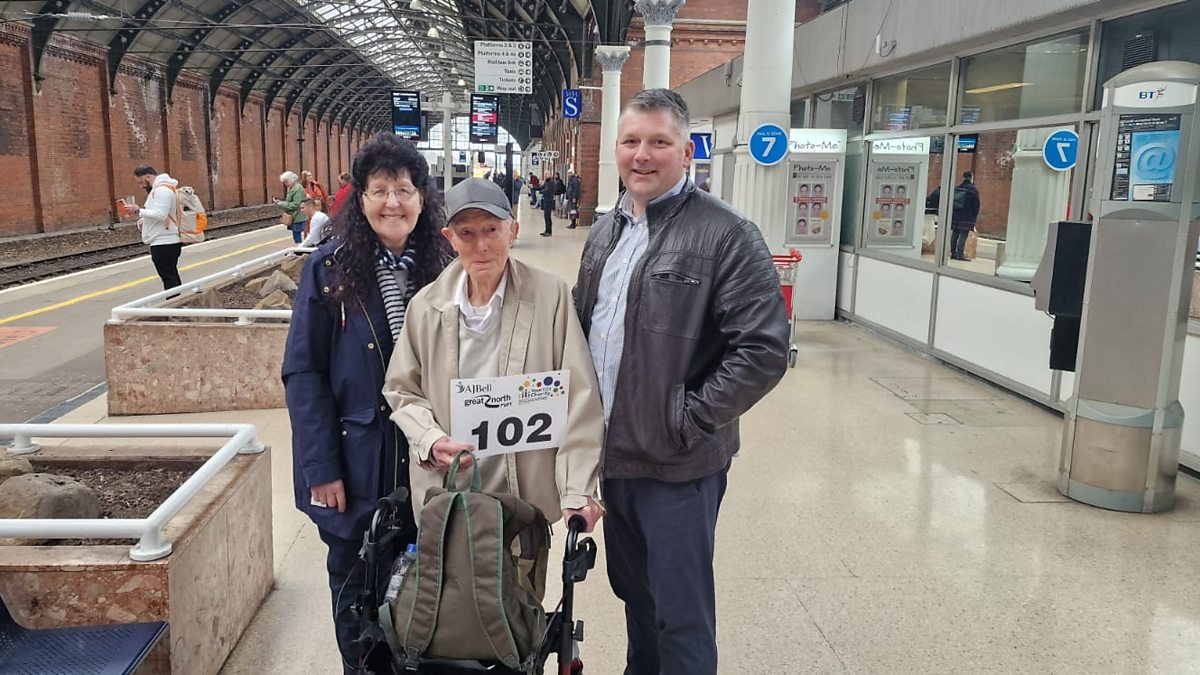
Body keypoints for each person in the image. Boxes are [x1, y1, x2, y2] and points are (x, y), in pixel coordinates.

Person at [573, 88, 789, 675]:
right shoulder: (606, 231)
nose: (642, 155)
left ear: (686, 150)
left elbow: (765, 350)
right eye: (631, 141)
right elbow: (582, 329)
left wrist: (685, 419)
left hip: (678, 466)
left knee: (682, 617)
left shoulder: (726, 235)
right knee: (637, 602)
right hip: (615, 458)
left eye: (658, 142)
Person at [383, 177, 605, 598]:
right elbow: (401, 390)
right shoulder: (426, 307)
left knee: (519, 607)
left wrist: (577, 488)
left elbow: (578, 395)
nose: (481, 245)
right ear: (450, 238)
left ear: (513, 230)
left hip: (524, 499)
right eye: (467, 233)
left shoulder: (550, 297)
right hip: (451, 494)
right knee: (452, 609)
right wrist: (431, 439)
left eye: (492, 230)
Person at [281, 133, 453, 674]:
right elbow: (303, 372)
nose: (392, 203)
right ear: (360, 199)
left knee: (427, 589)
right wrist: (321, 468)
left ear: (423, 198)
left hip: (430, 461)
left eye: (403, 189)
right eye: (378, 190)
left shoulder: (449, 269)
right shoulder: (328, 270)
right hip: (355, 465)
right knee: (356, 587)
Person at [124, 165, 182, 290]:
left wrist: (139, 211)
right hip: (165, 240)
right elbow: (159, 212)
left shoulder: (161, 190)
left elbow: (161, 214)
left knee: (169, 277)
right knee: (170, 275)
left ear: (148, 176)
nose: (141, 186)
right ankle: (176, 303)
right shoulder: (162, 189)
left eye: (141, 182)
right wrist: (144, 219)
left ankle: (174, 305)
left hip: (164, 241)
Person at [950, 171, 981, 261]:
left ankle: (953, 253)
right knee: (963, 235)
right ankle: (960, 254)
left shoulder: (957, 188)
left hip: (956, 216)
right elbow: (976, 204)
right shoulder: (973, 189)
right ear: (971, 177)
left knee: (955, 234)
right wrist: (974, 215)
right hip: (967, 217)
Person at [276, 171, 307, 244]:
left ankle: (300, 250)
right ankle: (300, 249)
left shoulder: (297, 189)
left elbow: (296, 204)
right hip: (296, 215)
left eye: (286, 182)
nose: (285, 184)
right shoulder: (293, 188)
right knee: (297, 234)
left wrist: (281, 203)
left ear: (290, 180)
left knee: (297, 234)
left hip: (298, 216)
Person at [539, 171, 559, 237]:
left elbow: (547, 191)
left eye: (546, 174)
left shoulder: (551, 182)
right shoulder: (546, 182)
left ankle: (549, 231)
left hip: (549, 201)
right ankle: (546, 230)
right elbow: (542, 187)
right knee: (546, 216)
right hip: (546, 200)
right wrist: (534, 187)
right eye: (544, 174)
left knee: (548, 216)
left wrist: (541, 192)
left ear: (550, 175)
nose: (545, 175)